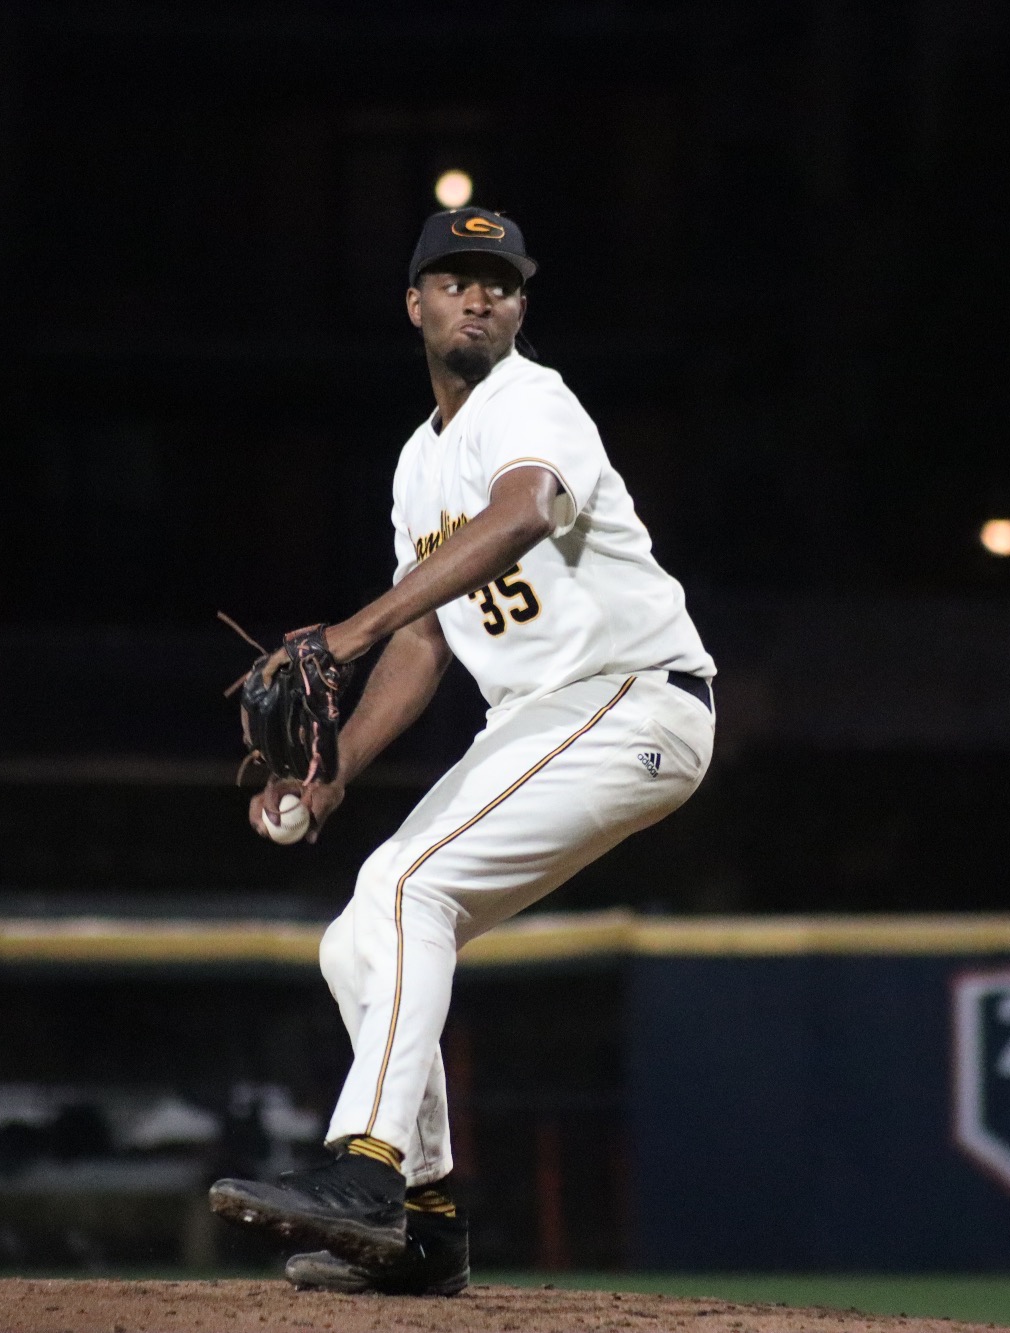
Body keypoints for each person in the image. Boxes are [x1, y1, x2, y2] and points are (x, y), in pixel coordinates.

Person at [209, 206, 716, 1295]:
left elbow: (526, 512)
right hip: (543, 717)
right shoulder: (414, 463)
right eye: (454, 277)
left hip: (627, 695)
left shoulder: (530, 400)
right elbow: (426, 639)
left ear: (520, 306)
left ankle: (366, 1169)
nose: (477, 295)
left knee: (404, 890)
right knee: (358, 938)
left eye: (498, 280)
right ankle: (427, 1230)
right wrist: (330, 769)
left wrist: (339, 633)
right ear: (415, 305)